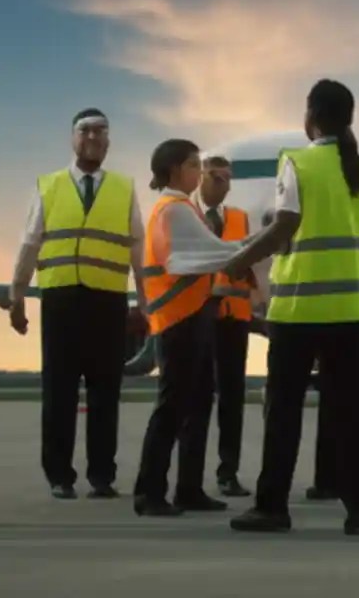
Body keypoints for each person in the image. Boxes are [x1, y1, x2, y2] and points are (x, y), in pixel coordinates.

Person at [224, 78, 359, 536]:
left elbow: (284, 227)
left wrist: (240, 261)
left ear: (310, 117)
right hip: (355, 310)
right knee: (354, 416)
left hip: (300, 309)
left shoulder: (297, 162)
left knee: (284, 412)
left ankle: (272, 507)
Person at [8, 108, 147, 500]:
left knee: (106, 390)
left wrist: (148, 301)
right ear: (72, 139)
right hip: (61, 298)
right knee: (59, 390)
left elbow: (138, 246)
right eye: (85, 131)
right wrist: (17, 296)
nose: (94, 138)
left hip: (108, 300)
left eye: (102, 132)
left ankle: (102, 475)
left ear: (109, 141)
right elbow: (30, 242)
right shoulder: (48, 185)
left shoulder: (124, 187)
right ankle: (59, 475)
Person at [133, 139, 240, 516]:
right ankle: (150, 493)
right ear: (176, 170)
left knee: (194, 405)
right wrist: (257, 244)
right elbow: (214, 252)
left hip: (192, 316)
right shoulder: (175, 209)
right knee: (174, 407)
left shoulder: (180, 208)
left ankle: (188, 488)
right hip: (180, 320)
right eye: (195, 165)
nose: (199, 172)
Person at [186, 154, 255, 499]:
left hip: (233, 319)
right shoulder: (187, 215)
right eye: (216, 178)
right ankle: (191, 480)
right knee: (197, 399)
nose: (223, 186)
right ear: (200, 177)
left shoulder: (239, 218)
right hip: (197, 317)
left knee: (232, 399)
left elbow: (250, 266)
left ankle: (228, 472)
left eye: (228, 179)